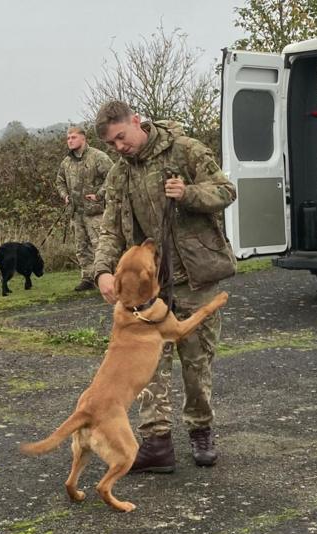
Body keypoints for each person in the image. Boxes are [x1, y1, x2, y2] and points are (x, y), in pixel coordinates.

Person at [92, 100, 237, 472]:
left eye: (122, 138)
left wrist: (188, 194)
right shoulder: (118, 175)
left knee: (196, 361)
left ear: (136, 122)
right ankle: (156, 443)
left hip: (194, 275)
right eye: (112, 145)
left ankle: (201, 430)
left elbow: (225, 191)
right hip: (148, 290)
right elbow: (110, 228)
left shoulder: (186, 150)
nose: (119, 148)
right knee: (149, 366)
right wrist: (102, 271)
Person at [54, 126, 113, 291]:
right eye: (68, 138)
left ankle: (108, 278)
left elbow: (113, 176)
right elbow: (59, 181)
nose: (70, 141)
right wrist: (64, 195)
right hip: (76, 213)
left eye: (73, 137)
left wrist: (100, 194)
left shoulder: (98, 157)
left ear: (83, 138)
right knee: (81, 248)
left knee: (101, 246)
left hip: (95, 212)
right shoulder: (67, 162)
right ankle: (88, 278)